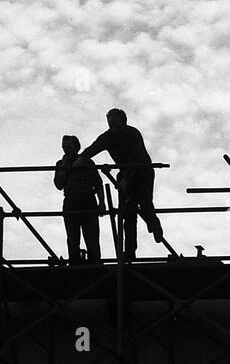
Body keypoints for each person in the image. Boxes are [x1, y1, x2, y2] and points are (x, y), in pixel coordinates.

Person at [80, 108, 164, 260]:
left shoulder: (132, 134)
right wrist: (80, 159)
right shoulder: (108, 137)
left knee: (145, 204)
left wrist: (126, 178)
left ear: (124, 122)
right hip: (125, 173)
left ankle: (154, 224)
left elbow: (135, 158)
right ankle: (130, 251)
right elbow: (93, 148)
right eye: (110, 126)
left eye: (116, 126)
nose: (113, 130)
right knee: (128, 214)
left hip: (142, 171)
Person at [54, 135, 103, 264]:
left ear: (76, 147)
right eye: (64, 147)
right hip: (71, 201)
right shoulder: (60, 164)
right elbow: (58, 185)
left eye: (68, 147)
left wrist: (102, 203)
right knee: (72, 237)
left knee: (92, 237)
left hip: (87, 200)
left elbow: (98, 183)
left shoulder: (87, 162)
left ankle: (95, 263)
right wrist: (64, 169)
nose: (66, 150)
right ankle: (74, 263)